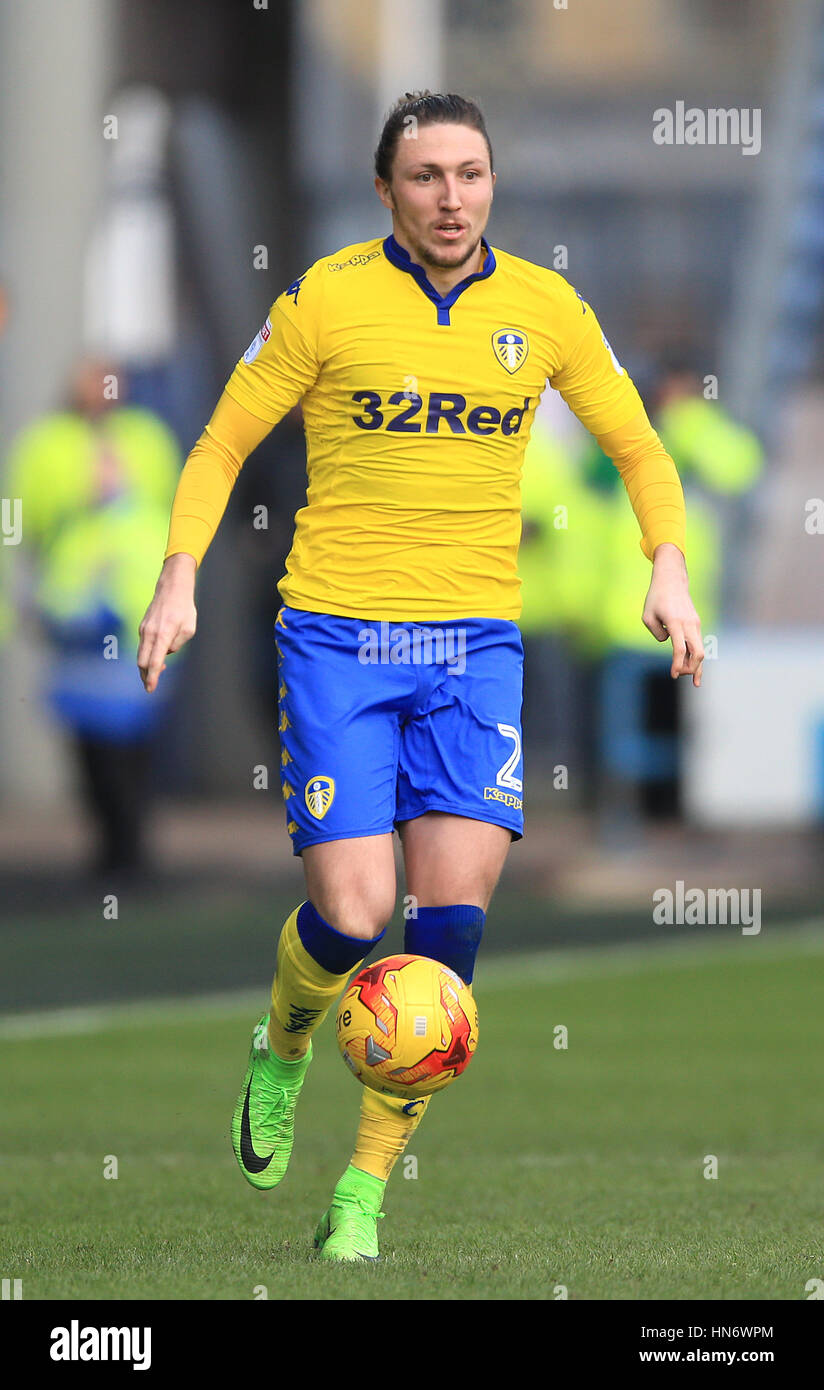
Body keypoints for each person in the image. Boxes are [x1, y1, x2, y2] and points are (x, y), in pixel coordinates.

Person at [137, 92, 704, 1261]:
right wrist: (177, 575)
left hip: (470, 649)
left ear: (492, 183)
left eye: (470, 173)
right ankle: (284, 1043)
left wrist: (670, 568)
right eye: (427, 176)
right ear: (386, 190)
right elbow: (222, 440)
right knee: (351, 917)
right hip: (340, 639)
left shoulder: (543, 308)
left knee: (445, 940)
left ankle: (361, 1196)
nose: (452, 197)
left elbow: (637, 443)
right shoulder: (325, 296)